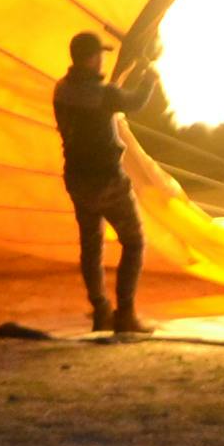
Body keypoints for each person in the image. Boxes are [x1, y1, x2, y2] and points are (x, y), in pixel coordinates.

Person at [54, 31, 143, 335]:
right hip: (107, 181)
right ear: (91, 58)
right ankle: (126, 314)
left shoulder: (62, 90)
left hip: (77, 180)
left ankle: (100, 310)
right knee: (134, 241)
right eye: (100, 55)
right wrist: (150, 79)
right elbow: (136, 101)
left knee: (91, 247)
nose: (103, 59)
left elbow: (107, 94)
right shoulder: (103, 95)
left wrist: (127, 71)